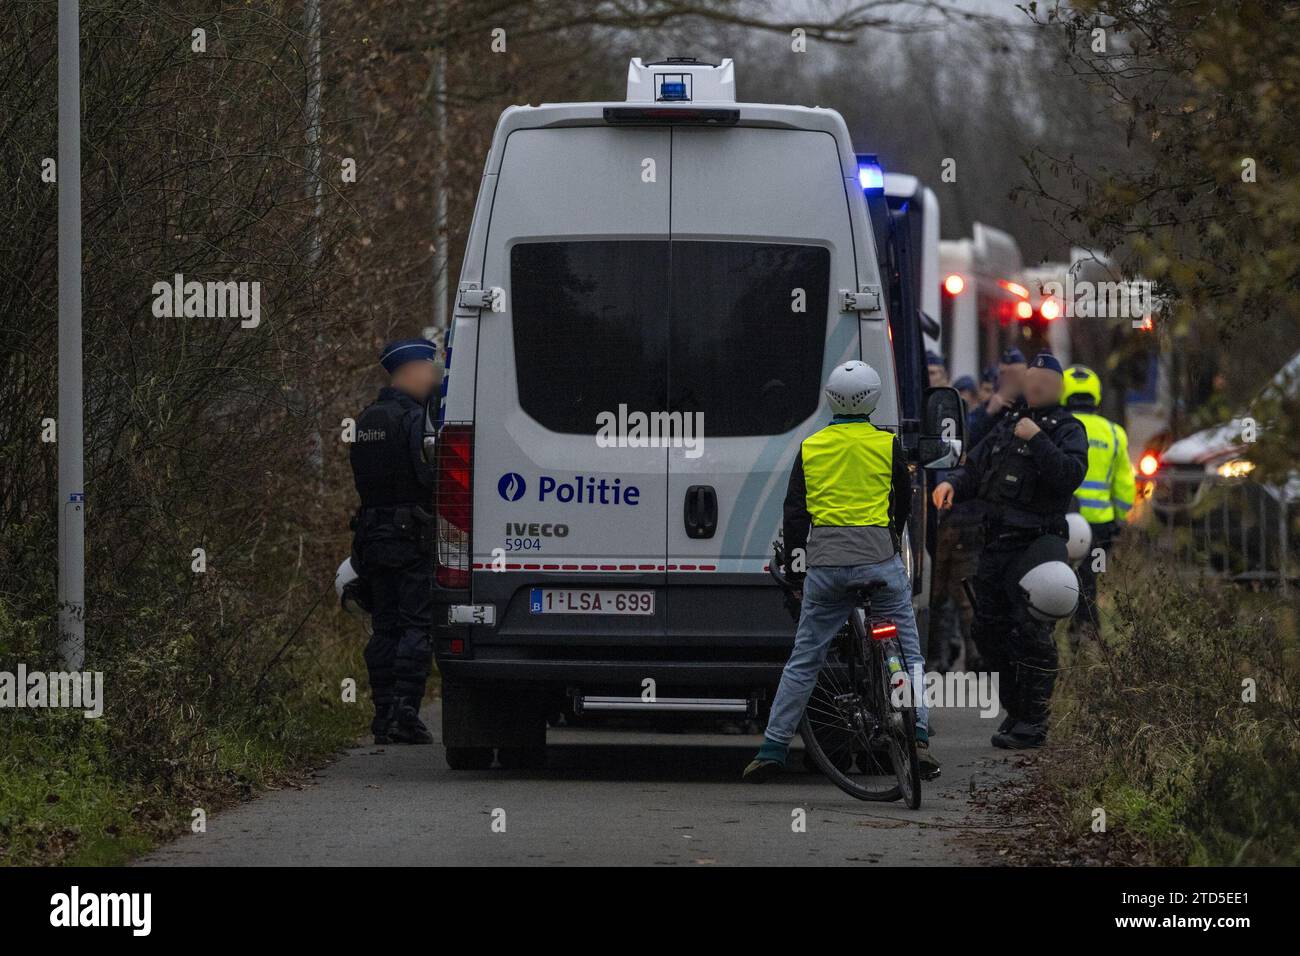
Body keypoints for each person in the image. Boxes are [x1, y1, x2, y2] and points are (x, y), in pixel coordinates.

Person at [744, 361, 939, 781]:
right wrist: (888, 540)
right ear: (874, 399)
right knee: (908, 653)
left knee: (805, 658)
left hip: (827, 568)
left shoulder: (812, 447)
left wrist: (798, 574)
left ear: (830, 398)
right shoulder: (888, 447)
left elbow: (795, 515)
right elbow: (900, 505)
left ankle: (773, 748)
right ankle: (917, 735)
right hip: (879, 563)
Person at [931, 352, 1087, 749]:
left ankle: (1034, 720)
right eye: (1030, 381)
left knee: (1030, 631)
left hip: (1039, 542)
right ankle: (1015, 711)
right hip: (996, 543)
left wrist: (1036, 438)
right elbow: (976, 467)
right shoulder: (1007, 424)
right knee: (988, 631)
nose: (1034, 388)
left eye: (1043, 383)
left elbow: (1068, 476)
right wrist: (952, 483)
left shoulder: (1067, 428)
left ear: (1057, 387)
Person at [349, 338, 440, 744]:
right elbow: (427, 477)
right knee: (416, 624)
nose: (434, 375)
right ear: (408, 371)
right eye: (428, 367)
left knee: (384, 626)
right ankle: (406, 710)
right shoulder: (414, 419)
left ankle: (383, 713)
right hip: (411, 536)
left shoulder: (366, 419)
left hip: (371, 536)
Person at [1061, 365, 1136, 647]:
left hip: (1063, 522)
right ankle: (1087, 634)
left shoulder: (1059, 429)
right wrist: (1120, 518)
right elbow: (1124, 485)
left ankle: (1071, 636)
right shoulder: (1114, 433)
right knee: (1088, 581)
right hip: (1100, 527)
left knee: (1062, 580)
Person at [967, 348, 1027, 449]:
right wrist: (988, 413)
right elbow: (967, 439)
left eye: (1013, 374)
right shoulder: (989, 406)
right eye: (1003, 373)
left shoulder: (1033, 405)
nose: (1007, 379)